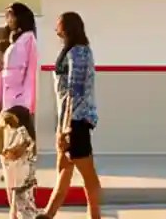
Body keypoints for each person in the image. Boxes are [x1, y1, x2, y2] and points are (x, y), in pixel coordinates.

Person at [39, 12, 101, 219]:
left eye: (59, 23)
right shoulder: (71, 51)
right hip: (68, 122)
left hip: (75, 123)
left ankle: (95, 216)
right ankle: (48, 214)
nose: (55, 27)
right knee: (64, 172)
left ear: (68, 27)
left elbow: (75, 92)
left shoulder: (79, 53)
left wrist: (65, 129)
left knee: (88, 176)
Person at [0, 3, 39, 210]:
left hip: (18, 110)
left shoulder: (29, 40)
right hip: (8, 109)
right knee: (8, 162)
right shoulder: (15, 41)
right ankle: (13, 211)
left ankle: (22, 211)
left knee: (20, 162)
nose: (7, 19)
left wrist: (23, 108)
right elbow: (5, 76)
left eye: (10, 15)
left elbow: (30, 77)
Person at [0, 105, 38, 219]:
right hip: (20, 179)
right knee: (22, 204)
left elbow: (18, 152)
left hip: (22, 179)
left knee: (23, 206)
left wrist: (8, 153)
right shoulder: (21, 134)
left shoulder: (22, 134)